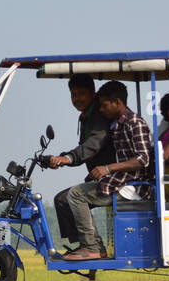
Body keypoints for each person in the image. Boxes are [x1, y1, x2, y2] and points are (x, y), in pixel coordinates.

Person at [60, 81, 153, 261]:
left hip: (134, 187)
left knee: (76, 194)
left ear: (117, 102)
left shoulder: (134, 123)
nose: (101, 110)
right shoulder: (116, 124)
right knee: (76, 193)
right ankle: (93, 245)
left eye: (104, 105)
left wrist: (108, 168)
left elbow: (143, 159)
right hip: (121, 181)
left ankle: (92, 246)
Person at [49, 75, 113, 249]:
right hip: (98, 178)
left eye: (81, 93)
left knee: (72, 196)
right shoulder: (86, 116)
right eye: (73, 94)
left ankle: (91, 247)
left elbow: (94, 144)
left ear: (93, 93)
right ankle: (88, 245)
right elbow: (83, 149)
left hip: (112, 179)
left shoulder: (98, 114)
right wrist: (63, 159)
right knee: (62, 200)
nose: (77, 99)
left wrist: (68, 158)